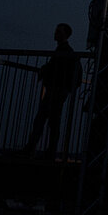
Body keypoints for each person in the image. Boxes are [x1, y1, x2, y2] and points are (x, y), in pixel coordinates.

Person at [22, 23, 82, 158]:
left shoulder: (64, 51)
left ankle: (34, 149)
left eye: (58, 32)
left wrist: (46, 72)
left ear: (64, 35)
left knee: (45, 120)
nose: (55, 33)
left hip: (57, 90)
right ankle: (46, 150)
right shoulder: (66, 51)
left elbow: (57, 69)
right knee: (51, 121)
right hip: (58, 90)